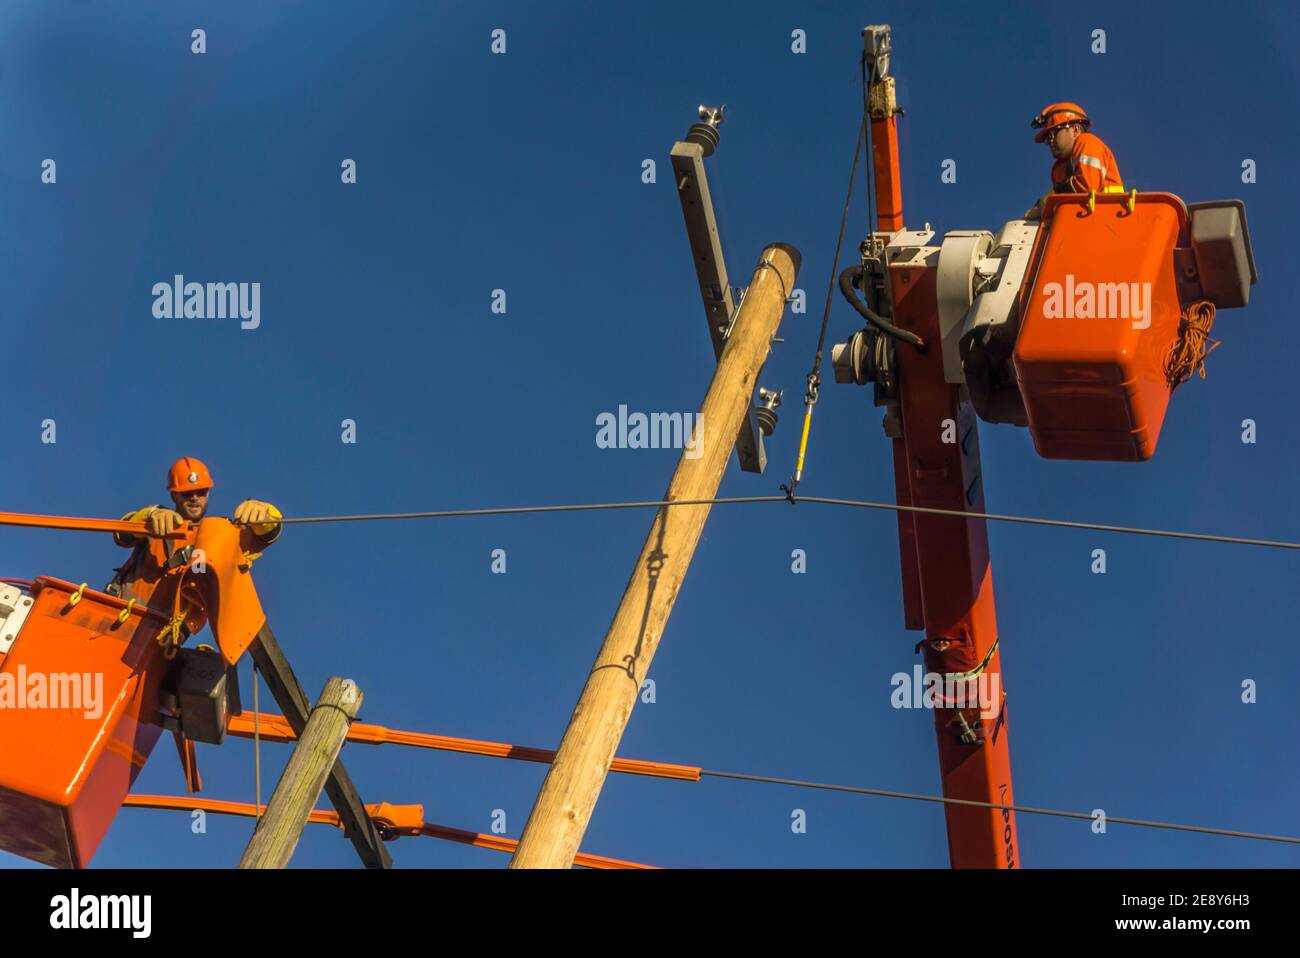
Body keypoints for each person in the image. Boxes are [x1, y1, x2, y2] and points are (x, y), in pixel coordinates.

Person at [105, 457, 282, 620]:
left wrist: (265, 514)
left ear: (209, 493)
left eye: (201, 492)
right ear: (174, 495)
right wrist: (150, 516)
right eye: (187, 493)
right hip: (120, 616)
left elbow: (266, 536)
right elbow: (121, 534)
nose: (194, 498)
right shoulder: (157, 520)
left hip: (164, 635)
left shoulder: (218, 536)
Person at [1026, 102, 1124, 218]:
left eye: (1052, 134)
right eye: (1047, 139)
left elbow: (1086, 188)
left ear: (1076, 130)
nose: (1050, 142)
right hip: (1088, 221)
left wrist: (1043, 206)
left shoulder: (1087, 142)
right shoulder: (1060, 168)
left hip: (1112, 216)